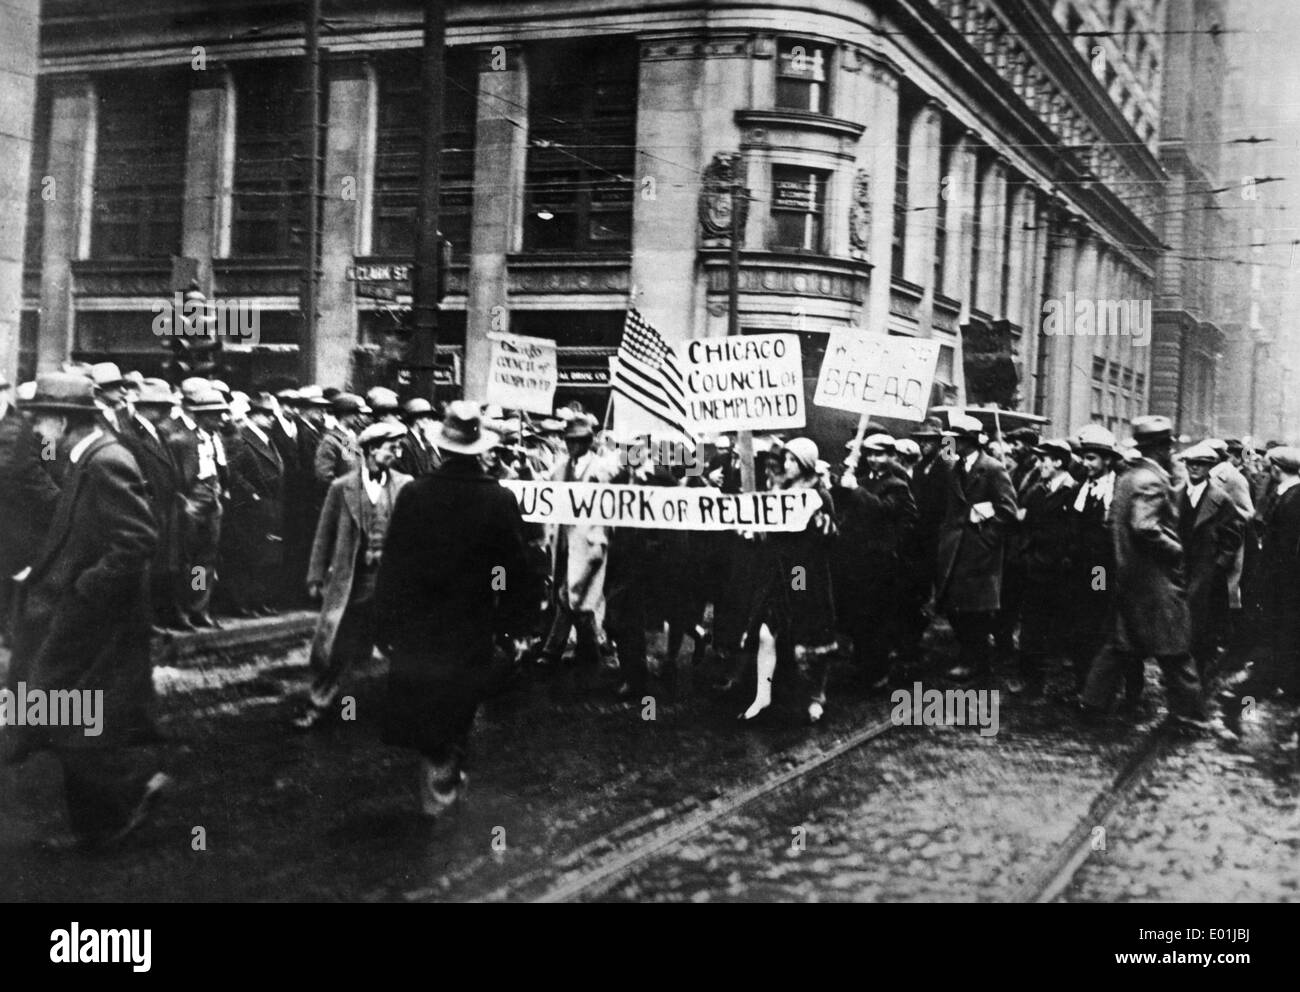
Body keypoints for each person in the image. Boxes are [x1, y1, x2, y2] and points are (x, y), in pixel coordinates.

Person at [4, 372, 169, 851]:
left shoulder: (105, 461)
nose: (36, 429)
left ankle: (120, 806)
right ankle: (108, 816)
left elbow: (138, 539)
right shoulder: (90, 457)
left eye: (40, 420)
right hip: (82, 617)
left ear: (62, 419)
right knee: (71, 718)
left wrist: (85, 590)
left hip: (96, 621)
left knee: (70, 718)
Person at [374, 403, 541, 820]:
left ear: (442, 448)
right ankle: (442, 795)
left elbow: (396, 562)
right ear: (478, 448)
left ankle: (441, 788)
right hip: (472, 623)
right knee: (459, 705)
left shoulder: (414, 493)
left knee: (429, 706)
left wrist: (385, 622)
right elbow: (509, 568)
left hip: (421, 623)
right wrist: (513, 623)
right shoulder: (497, 498)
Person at [1079, 416, 1207, 728]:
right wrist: (1176, 551)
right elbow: (1145, 526)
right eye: (1168, 447)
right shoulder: (1151, 480)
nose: (1171, 453)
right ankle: (1189, 716)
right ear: (1161, 448)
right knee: (1176, 652)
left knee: (1120, 646)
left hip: (1130, 578)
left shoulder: (1127, 478)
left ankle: (1092, 703)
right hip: (1156, 582)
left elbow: (1113, 524)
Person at [294, 422, 412, 730]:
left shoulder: (405, 485)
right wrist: (315, 575)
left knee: (402, 643)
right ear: (372, 449)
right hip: (353, 581)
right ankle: (318, 704)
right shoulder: (341, 487)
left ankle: (408, 708)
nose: (398, 453)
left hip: (393, 581)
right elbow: (324, 534)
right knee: (338, 645)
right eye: (392, 447)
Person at [738, 437, 838, 724]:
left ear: (805, 464)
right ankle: (762, 696)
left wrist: (821, 524)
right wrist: (754, 532)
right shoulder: (778, 492)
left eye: (794, 460)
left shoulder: (820, 495)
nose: (787, 464)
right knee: (766, 632)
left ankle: (814, 697)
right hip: (777, 573)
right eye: (787, 459)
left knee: (807, 632)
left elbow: (831, 537)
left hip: (803, 574)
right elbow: (770, 534)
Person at [934, 414, 1018, 682]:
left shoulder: (992, 468)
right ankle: (968, 657)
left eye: (955, 439)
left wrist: (987, 540)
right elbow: (942, 463)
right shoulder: (954, 466)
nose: (950, 443)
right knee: (956, 607)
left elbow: (1008, 511)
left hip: (979, 551)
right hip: (955, 548)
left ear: (968, 441)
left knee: (977, 611)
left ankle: (977, 664)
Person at [1223, 446, 1300, 736]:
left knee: (1276, 660)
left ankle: (1237, 705)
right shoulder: (1289, 497)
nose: (1267, 473)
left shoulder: (1293, 500)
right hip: (1284, 595)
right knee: (1277, 660)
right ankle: (1237, 705)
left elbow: (1286, 553)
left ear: (1277, 469)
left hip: (1285, 594)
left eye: (1269, 469)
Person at [833, 433, 917, 693]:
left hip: (881, 563)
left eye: (879, 454)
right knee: (859, 617)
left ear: (891, 456)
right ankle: (863, 667)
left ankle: (878, 673)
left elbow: (881, 510)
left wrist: (855, 490)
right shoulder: (862, 480)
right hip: (857, 560)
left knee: (877, 620)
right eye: (869, 454)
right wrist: (841, 483)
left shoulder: (897, 485)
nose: (873, 460)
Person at [536, 415, 617, 682]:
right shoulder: (560, 468)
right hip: (562, 543)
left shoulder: (601, 469)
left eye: (578, 441)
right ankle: (591, 651)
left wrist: (599, 541)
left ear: (588, 442)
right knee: (575, 601)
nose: (572, 446)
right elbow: (541, 490)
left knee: (568, 596)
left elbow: (607, 510)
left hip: (587, 544)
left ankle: (552, 653)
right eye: (569, 441)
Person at [121, 378, 187, 630]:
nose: (169, 411)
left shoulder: (157, 432)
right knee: (151, 565)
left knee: (171, 563)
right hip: (151, 507)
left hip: (167, 507)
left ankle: (172, 612)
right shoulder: (130, 434)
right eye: (164, 406)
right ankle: (149, 619)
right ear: (152, 407)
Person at [1014, 439, 1078, 697]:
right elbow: (1026, 522)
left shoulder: (1073, 491)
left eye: (1044, 460)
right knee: (1032, 627)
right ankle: (1032, 681)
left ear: (1059, 462)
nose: (1039, 465)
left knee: (1065, 628)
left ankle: (1077, 682)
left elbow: (1073, 535)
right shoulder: (1038, 491)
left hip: (1061, 572)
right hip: (1035, 569)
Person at [0, 373, 61, 636]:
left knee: (17, 581)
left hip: (18, 522)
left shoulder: (19, 428)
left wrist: (60, 502)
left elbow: (47, 466)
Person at [1178, 443, 1244, 685]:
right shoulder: (1175, 495)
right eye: (1191, 463)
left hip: (1207, 572)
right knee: (1180, 622)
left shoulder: (1220, 499)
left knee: (1203, 626)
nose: (1195, 468)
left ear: (1209, 468)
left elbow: (1234, 534)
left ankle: (1201, 674)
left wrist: (1219, 564)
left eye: (1201, 464)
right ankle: (1181, 674)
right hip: (1179, 568)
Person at [166, 381, 228, 629]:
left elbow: (220, 467)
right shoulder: (179, 437)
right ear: (202, 415)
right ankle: (181, 610)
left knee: (205, 559)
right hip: (190, 500)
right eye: (215, 415)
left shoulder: (213, 437)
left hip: (211, 498)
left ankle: (198, 607)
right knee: (185, 559)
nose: (221, 420)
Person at [220, 393, 285, 617]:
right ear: (252, 415)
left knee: (264, 556)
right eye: (265, 414)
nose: (271, 419)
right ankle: (240, 603)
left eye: (272, 414)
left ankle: (258, 600)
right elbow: (233, 472)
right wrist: (252, 494)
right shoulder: (242, 438)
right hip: (249, 507)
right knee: (245, 557)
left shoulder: (268, 439)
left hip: (269, 505)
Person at [1068, 424, 1121, 695]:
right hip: (1079, 568)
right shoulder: (1082, 489)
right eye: (1084, 458)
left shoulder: (1116, 491)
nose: (1086, 463)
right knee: (1079, 625)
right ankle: (1082, 684)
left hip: (1100, 570)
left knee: (1097, 620)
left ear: (1107, 460)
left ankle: (1099, 688)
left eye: (1092, 458)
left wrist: (1097, 582)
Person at [314, 393, 368, 487]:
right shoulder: (330, 440)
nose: (359, 417)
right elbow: (324, 475)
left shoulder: (348, 436)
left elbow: (351, 464)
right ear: (344, 414)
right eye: (355, 413)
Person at [396, 398, 442, 476]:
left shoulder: (425, 441)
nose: (431, 421)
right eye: (428, 418)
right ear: (418, 420)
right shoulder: (406, 443)